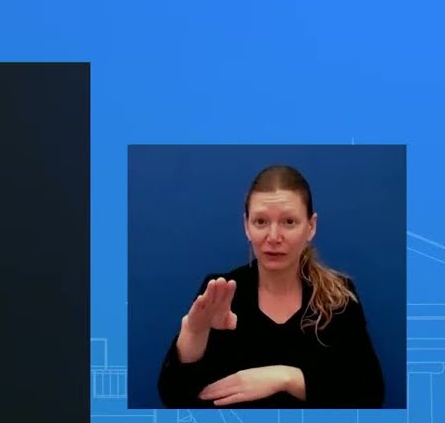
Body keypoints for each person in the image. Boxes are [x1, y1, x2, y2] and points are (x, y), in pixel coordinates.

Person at [156, 164, 385, 409]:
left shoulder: (339, 297)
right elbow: (174, 398)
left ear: (311, 226)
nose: (273, 237)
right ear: (246, 226)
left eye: (289, 222)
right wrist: (194, 334)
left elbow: (370, 394)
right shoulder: (220, 293)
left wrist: (285, 378)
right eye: (261, 221)